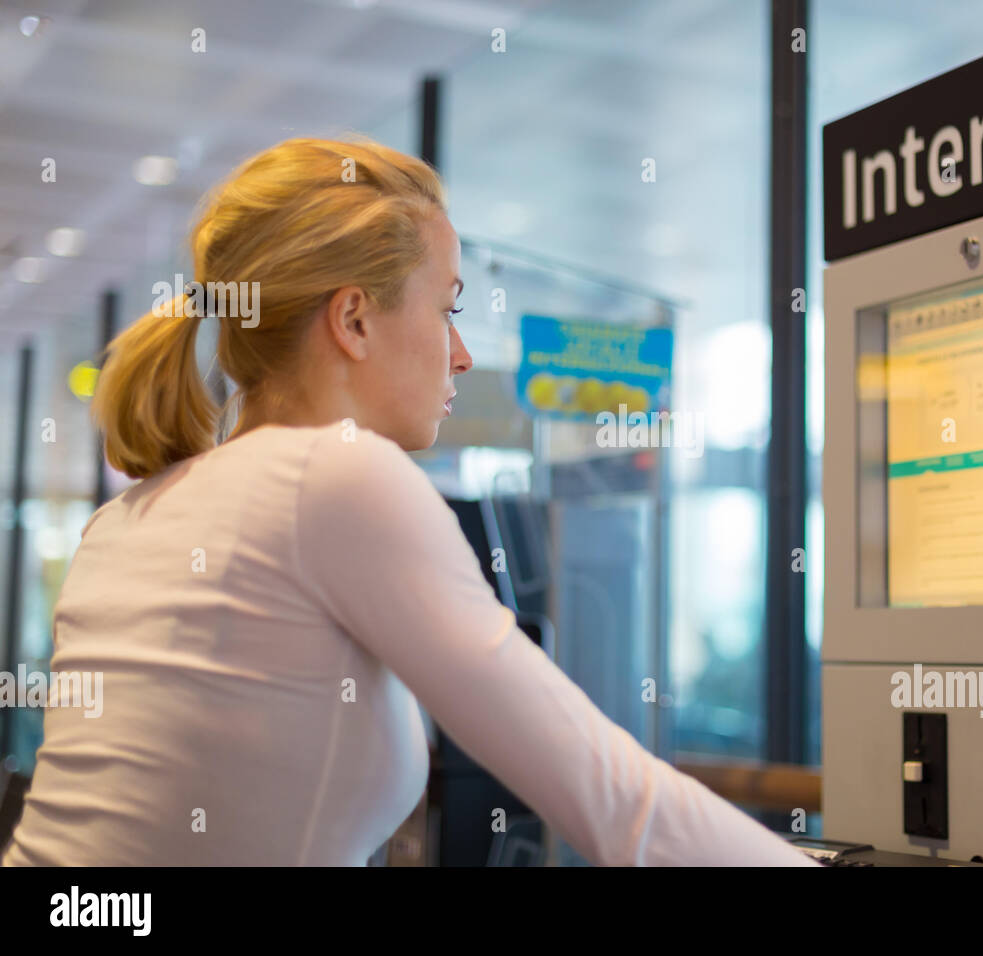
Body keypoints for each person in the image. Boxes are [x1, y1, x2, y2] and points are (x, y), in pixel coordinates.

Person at [0, 137, 817, 867]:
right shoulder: (334, 475)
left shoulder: (127, 516)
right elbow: (613, 802)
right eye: (448, 307)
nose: (461, 354)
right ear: (353, 319)